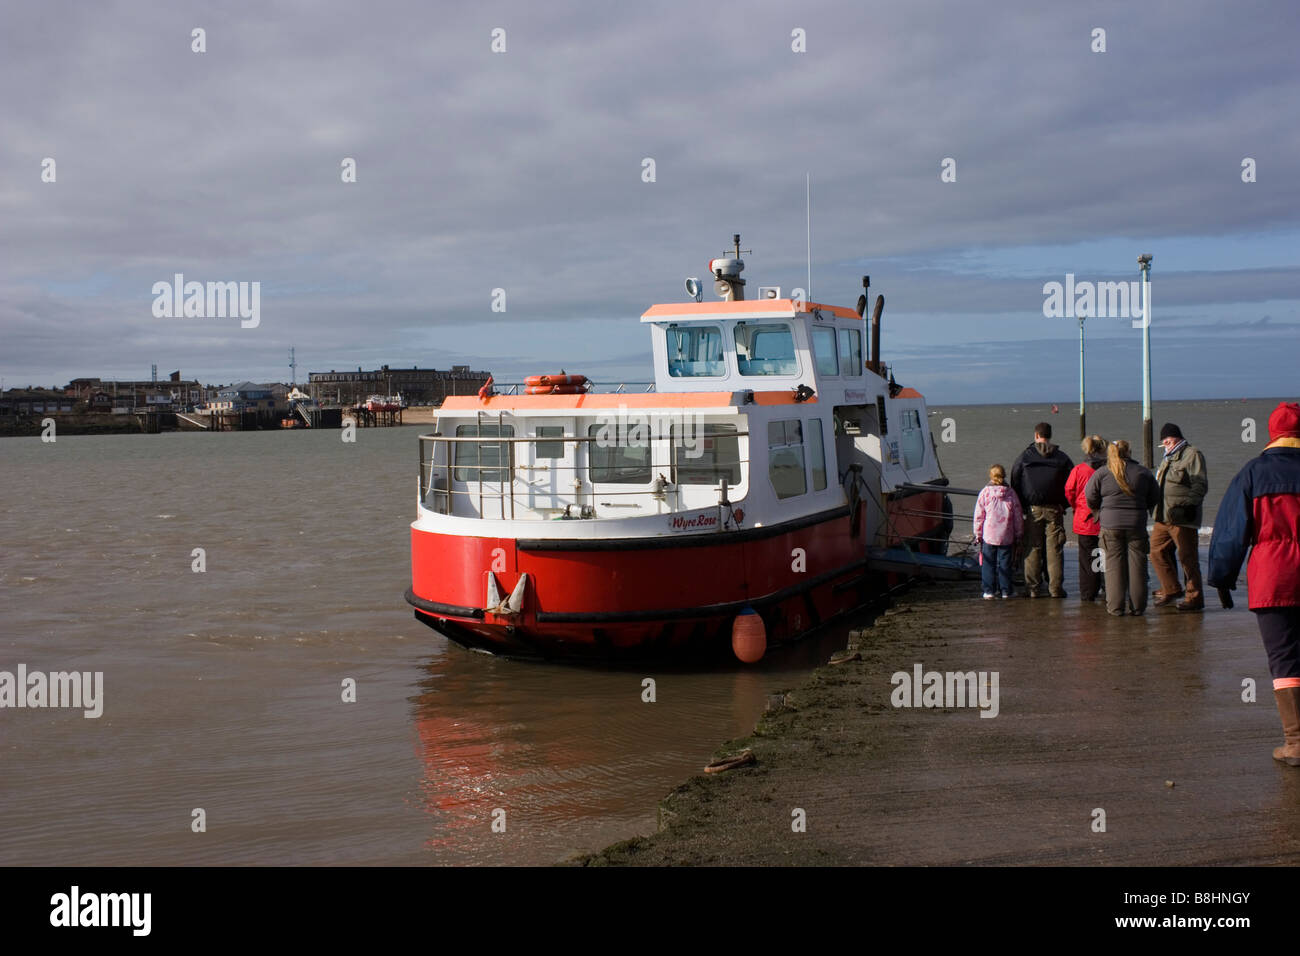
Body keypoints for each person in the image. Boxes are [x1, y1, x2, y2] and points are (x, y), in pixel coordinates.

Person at [1207, 401, 1300, 766]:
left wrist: (1222, 578)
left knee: (1285, 660)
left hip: (1273, 577)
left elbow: (1231, 533)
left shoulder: (1252, 472)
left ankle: (1295, 742)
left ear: (1272, 434)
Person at [1084, 440, 1160, 616]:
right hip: (1136, 523)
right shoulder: (1143, 472)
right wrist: (1141, 507)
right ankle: (1138, 607)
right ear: (1129, 451)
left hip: (1110, 524)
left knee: (1112, 567)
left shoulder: (1102, 472)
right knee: (1138, 567)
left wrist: (1098, 511)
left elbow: (1090, 495)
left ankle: (1116, 607)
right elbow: (1155, 496)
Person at [1010, 422, 1074, 597]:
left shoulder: (1024, 456)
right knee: (1055, 549)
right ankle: (1055, 589)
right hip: (1055, 508)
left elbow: (1015, 480)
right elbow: (1072, 484)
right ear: (1050, 435)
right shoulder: (1061, 457)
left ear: (1036, 435)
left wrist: (1021, 505)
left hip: (1032, 509)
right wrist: (1064, 504)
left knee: (1032, 547)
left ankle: (1032, 588)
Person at [1150, 423, 1209, 610]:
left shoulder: (1192, 454)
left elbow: (1199, 484)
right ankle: (1171, 588)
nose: (1164, 442)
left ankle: (1194, 597)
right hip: (1163, 516)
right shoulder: (1167, 457)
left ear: (1176, 437)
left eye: (1167, 438)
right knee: (1155, 551)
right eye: (1162, 440)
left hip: (1182, 517)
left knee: (1187, 558)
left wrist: (1190, 505)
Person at [1064, 435, 1108, 602]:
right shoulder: (1109, 469)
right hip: (1105, 519)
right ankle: (1107, 588)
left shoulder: (1079, 470)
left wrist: (1077, 506)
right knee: (1105, 556)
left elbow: (1069, 491)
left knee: (1086, 559)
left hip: (1084, 519)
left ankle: (1088, 592)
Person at [973, 464, 1023, 600]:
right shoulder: (1011, 493)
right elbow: (1018, 515)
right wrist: (1019, 533)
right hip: (1006, 535)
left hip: (989, 535)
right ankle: (1006, 590)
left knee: (988, 563)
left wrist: (978, 534)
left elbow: (979, 515)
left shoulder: (985, 492)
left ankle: (989, 591)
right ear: (1004, 475)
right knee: (1005, 564)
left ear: (991, 476)